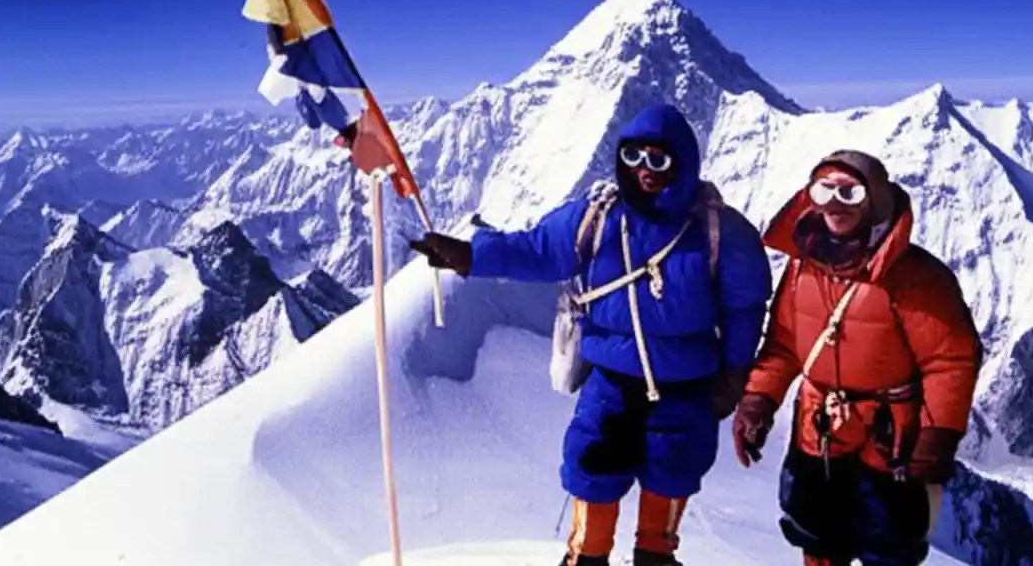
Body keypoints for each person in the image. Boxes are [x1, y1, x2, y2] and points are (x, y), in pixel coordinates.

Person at [410, 103, 773, 566]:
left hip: (685, 383)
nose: (645, 171)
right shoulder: (598, 218)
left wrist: (736, 370)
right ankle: (588, 555)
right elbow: (537, 249)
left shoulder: (719, 231)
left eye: (659, 160)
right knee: (593, 464)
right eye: (634, 158)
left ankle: (656, 555)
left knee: (674, 466)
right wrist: (470, 256)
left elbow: (744, 307)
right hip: (613, 378)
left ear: (683, 162)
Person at [731, 150, 982, 566]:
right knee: (818, 537)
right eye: (824, 190)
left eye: (850, 193)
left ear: (876, 200)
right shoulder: (801, 269)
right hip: (821, 428)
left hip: (889, 438)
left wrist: (934, 439)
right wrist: (758, 401)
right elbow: (784, 345)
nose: (834, 204)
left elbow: (951, 360)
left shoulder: (915, 277)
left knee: (886, 543)